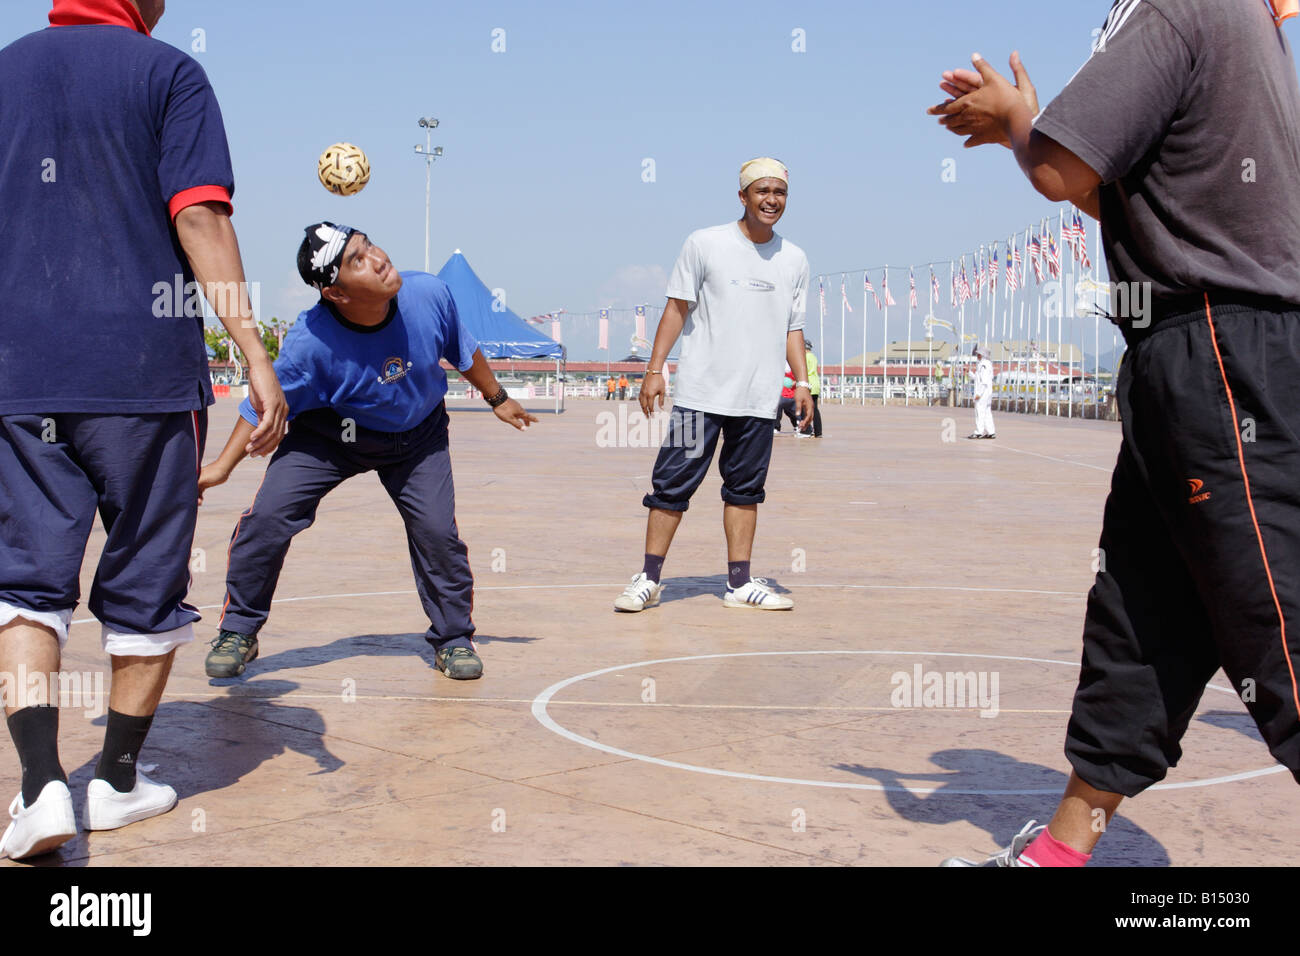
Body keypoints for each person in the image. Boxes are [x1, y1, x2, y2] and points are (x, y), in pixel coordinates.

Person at [929, 0, 1300, 866]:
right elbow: (1129, 199)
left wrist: (1019, 120)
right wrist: (1027, 125)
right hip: (1191, 352)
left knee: (1277, 617)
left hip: (1218, 351)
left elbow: (1060, 170)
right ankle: (1060, 854)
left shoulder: (1182, 6)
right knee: (1141, 619)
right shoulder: (1241, 20)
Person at [0, 0, 288, 860]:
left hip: (20, 374)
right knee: (146, 579)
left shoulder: (5, 67)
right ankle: (117, 782)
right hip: (142, 375)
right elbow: (200, 217)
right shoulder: (169, 73)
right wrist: (252, 349)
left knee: (25, 582)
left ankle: (41, 787)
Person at [199, 224, 536, 683]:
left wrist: (498, 398)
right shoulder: (311, 343)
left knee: (437, 533)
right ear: (335, 292)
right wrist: (221, 466)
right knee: (268, 519)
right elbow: (259, 402)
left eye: (369, 245)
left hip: (418, 435)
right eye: (358, 260)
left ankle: (454, 638)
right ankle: (238, 629)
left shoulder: (429, 294)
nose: (378, 258)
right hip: (329, 437)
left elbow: (464, 350)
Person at [614, 157, 811, 613]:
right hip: (700, 396)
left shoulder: (794, 258)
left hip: (759, 400)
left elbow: (792, 328)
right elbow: (676, 309)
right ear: (742, 196)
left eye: (779, 193)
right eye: (762, 191)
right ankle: (648, 578)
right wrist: (654, 369)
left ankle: (740, 584)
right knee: (670, 486)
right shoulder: (705, 243)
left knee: (745, 490)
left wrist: (801, 381)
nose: (771, 200)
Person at [968, 345, 995, 439]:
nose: (977, 356)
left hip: (983, 393)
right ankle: (991, 431)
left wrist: (979, 394)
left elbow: (983, 382)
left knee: (979, 411)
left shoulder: (984, 365)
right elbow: (978, 378)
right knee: (987, 412)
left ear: (983, 355)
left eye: (979, 354)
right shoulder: (985, 364)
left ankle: (979, 431)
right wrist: (969, 373)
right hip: (987, 392)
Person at [803, 341, 823, 437]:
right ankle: (818, 432)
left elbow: (804, 370)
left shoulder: (805, 357)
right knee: (815, 409)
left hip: (809, 384)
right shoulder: (813, 357)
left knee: (805, 408)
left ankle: (806, 430)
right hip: (815, 384)